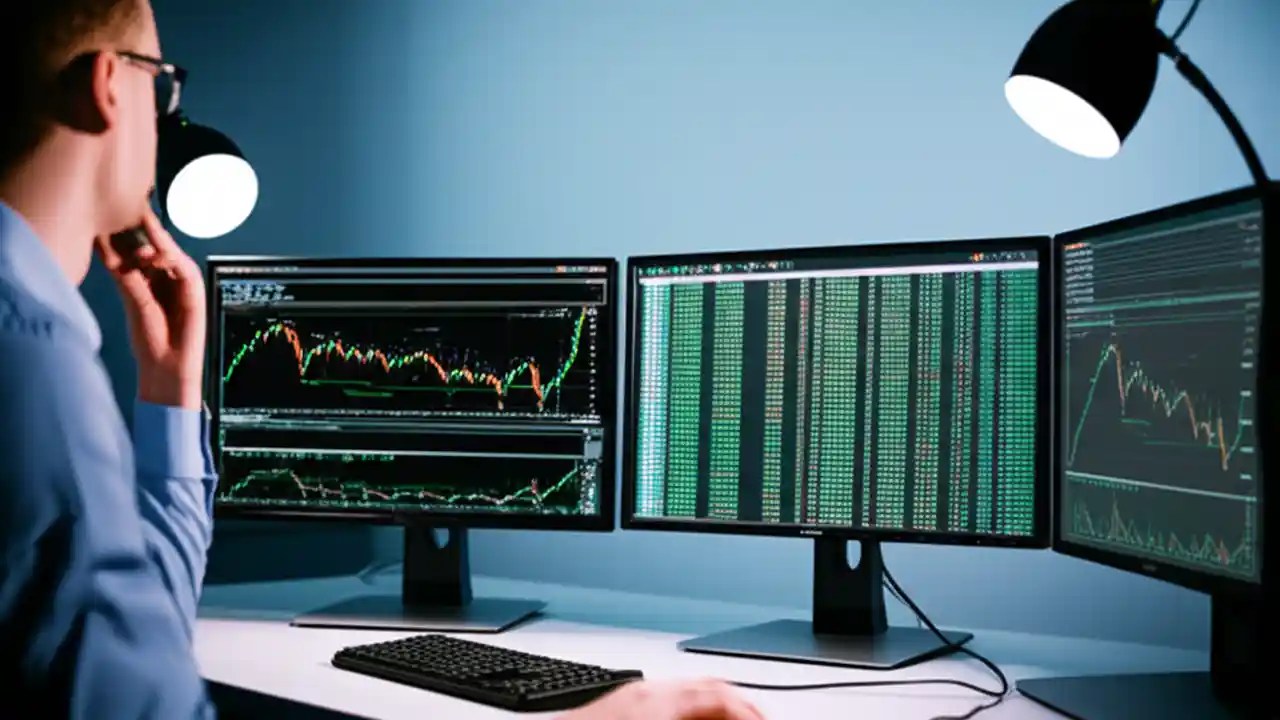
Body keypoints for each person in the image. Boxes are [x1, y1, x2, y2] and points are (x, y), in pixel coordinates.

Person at [0, 1, 765, 718]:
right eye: (162, 85)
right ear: (108, 85)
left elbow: (135, 655)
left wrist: (171, 390)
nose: (166, 118)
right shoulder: (35, 364)